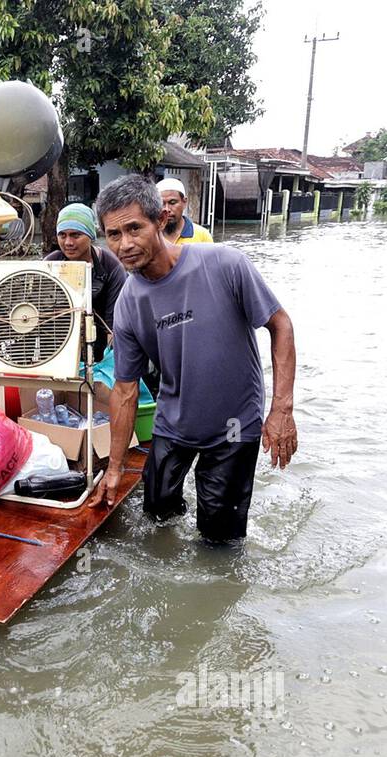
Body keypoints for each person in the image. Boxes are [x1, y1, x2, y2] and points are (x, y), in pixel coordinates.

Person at [88, 175, 297, 543]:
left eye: (135, 228)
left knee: (218, 539)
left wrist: (281, 409)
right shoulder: (128, 305)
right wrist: (115, 468)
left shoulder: (226, 264)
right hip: (175, 422)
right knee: (156, 514)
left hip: (233, 425)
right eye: (114, 234)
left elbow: (279, 325)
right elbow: (124, 391)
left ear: (160, 221)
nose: (125, 244)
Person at [44, 202, 127, 360]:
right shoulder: (50, 264)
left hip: (100, 349)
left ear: (90, 236)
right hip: (57, 347)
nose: (68, 242)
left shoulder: (112, 267)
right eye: (63, 235)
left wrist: (110, 363)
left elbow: (114, 327)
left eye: (76, 235)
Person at [158, 177, 214, 245]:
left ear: (184, 202)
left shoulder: (202, 236)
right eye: (161, 204)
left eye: (172, 203)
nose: (167, 209)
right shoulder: (150, 235)